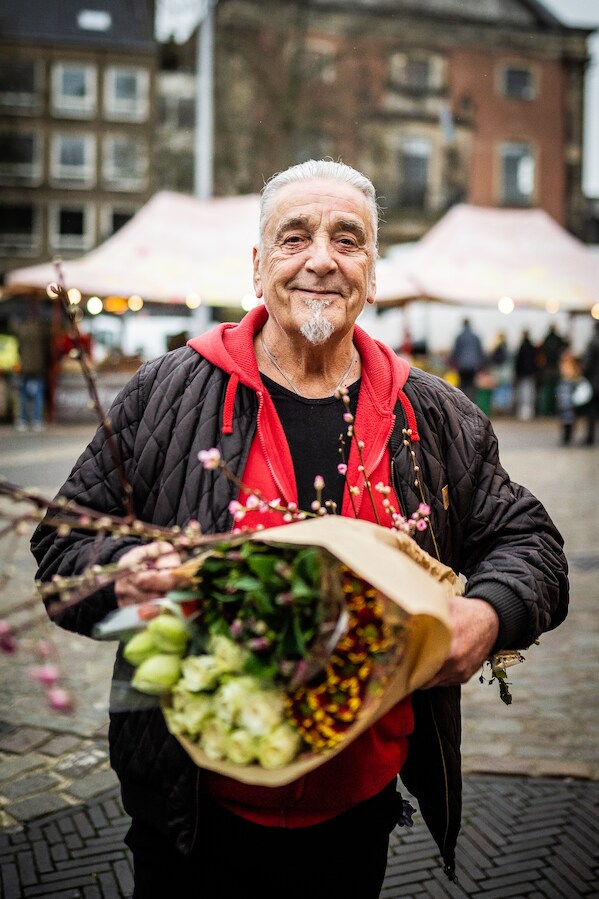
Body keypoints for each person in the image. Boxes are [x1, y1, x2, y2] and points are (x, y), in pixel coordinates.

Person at [31, 160, 569, 898]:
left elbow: (529, 541)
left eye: (346, 239)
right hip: (191, 810)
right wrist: (123, 576)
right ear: (258, 267)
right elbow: (62, 545)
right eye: (295, 237)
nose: (321, 257)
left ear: (370, 274)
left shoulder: (432, 415)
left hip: (356, 814)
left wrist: (490, 611)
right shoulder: (166, 394)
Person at [13, 315, 50, 431]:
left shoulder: (22, 331)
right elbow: (46, 349)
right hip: (38, 367)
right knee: (38, 395)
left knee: (23, 395)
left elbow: (18, 349)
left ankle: (23, 420)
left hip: (25, 367)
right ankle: (37, 420)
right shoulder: (41, 331)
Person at [449, 317, 485, 401]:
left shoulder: (459, 337)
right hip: (473, 365)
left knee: (462, 385)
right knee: (472, 385)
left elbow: (456, 352)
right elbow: (480, 352)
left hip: (462, 365)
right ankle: (472, 403)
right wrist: (481, 365)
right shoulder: (476, 337)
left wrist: (452, 363)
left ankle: (462, 404)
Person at [537, 324, 567, 417]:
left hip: (547, 368)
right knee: (556, 391)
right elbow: (565, 345)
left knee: (546, 391)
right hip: (555, 368)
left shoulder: (546, 339)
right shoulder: (558, 339)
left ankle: (545, 411)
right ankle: (554, 410)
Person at [514, 329, 539, 421]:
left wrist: (517, 372)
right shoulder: (532, 347)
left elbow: (518, 361)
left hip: (523, 374)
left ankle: (523, 413)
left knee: (523, 393)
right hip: (530, 373)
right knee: (530, 393)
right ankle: (529, 412)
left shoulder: (522, 347)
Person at [581, 319, 599, 446]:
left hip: (594, 382)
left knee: (591, 411)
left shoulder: (593, 342)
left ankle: (590, 437)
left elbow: (587, 365)